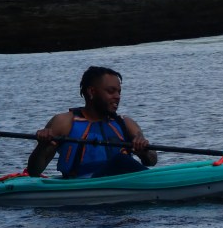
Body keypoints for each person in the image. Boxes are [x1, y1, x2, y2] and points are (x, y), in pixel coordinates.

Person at [26, 66, 158, 178]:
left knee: (122, 161)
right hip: (82, 187)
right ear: (91, 92)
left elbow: (152, 160)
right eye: (111, 91)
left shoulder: (126, 123)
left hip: (122, 182)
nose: (117, 96)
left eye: (119, 92)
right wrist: (41, 146)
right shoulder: (64, 122)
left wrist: (144, 152)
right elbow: (34, 171)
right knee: (120, 160)